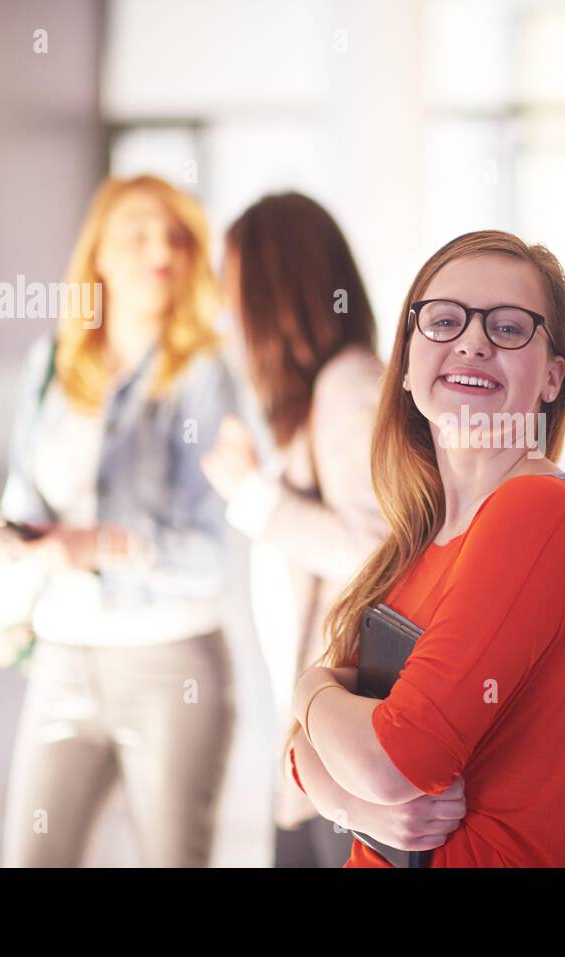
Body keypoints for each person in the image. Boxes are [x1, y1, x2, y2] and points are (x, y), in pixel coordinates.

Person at [283, 230, 565, 867]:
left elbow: (388, 763)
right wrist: (350, 801)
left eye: (510, 327)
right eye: (443, 321)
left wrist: (311, 689)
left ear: (552, 378)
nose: (471, 341)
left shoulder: (539, 512)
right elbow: (302, 755)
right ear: (407, 364)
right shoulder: (416, 538)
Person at [0, 174, 238, 867]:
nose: (160, 251)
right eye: (138, 234)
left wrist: (98, 546)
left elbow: (209, 554)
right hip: (62, 657)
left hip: (169, 664)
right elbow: (29, 495)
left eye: (176, 237)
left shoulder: (202, 373)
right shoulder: (52, 365)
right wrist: (9, 539)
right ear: (99, 258)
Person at [201, 193, 386, 867]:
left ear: (276, 290)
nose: (226, 311)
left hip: (340, 739)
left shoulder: (349, 387)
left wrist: (251, 495)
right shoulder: (328, 394)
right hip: (319, 738)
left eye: (234, 286)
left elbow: (375, 547)